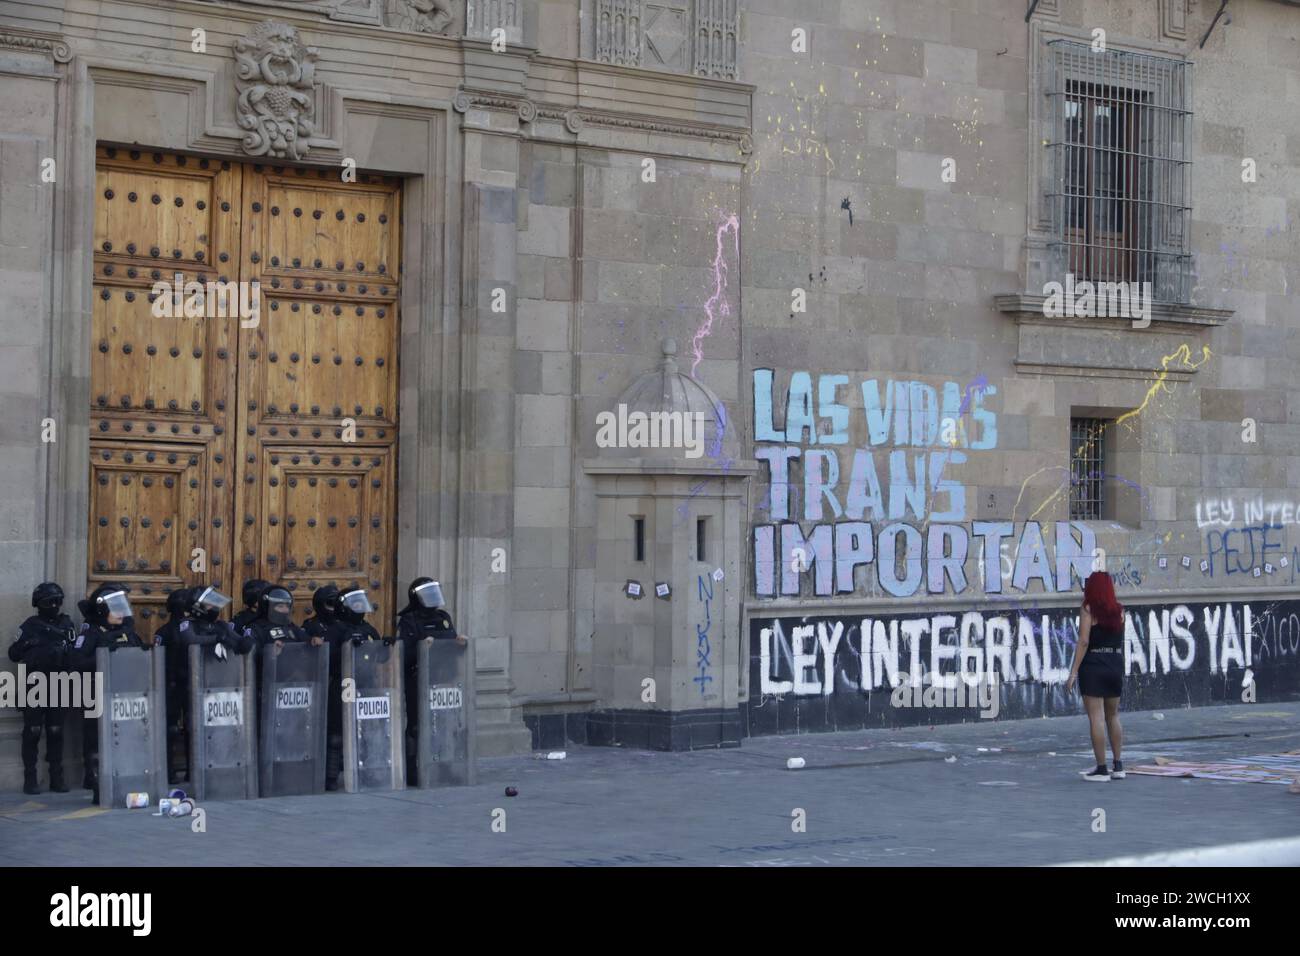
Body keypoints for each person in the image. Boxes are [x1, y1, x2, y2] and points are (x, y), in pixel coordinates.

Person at [158, 585, 253, 782]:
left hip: (209, 686)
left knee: (200, 726)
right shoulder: (186, 624)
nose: (214, 608)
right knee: (172, 727)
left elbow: (240, 643)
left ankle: (198, 770)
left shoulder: (221, 625)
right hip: (179, 682)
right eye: (209, 604)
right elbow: (190, 640)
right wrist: (216, 639)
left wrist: (244, 642)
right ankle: (169, 771)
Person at [67, 585, 150, 802]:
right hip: (97, 696)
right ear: (103, 611)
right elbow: (75, 663)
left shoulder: (128, 634)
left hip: (126, 698)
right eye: (116, 609)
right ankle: (96, 782)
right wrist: (103, 657)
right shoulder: (91, 634)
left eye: (123, 608)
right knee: (96, 740)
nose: (121, 613)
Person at [396, 578, 467, 784]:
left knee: (444, 724)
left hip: (443, 678)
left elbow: (451, 646)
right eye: (427, 594)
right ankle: (413, 771)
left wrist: (459, 643)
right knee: (417, 726)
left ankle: (443, 766)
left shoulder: (443, 617)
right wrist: (422, 647)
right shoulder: (409, 620)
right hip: (418, 679)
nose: (432, 598)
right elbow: (404, 654)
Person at [8, 582, 76, 794]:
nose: (54, 605)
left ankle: (57, 777)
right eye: (49, 602)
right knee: (33, 731)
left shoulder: (67, 625)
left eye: (57, 601)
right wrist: (32, 644)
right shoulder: (30, 626)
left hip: (59, 683)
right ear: (39, 604)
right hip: (35, 685)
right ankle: (30, 778)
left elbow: (75, 653)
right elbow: (13, 653)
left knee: (56, 731)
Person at [320, 586, 383, 790]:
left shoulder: (369, 629)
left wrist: (386, 646)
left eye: (360, 604)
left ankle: (367, 772)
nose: (358, 608)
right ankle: (330, 778)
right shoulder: (336, 629)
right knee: (337, 734)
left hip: (366, 684)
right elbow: (327, 657)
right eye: (354, 604)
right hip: (343, 684)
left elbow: (381, 657)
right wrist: (347, 645)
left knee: (366, 731)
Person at [1065, 571, 1126, 782]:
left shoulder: (1088, 608)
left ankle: (1101, 769)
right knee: (1113, 716)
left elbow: (1083, 641)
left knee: (1097, 718)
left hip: (1094, 665)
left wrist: (1073, 672)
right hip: (1115, 665)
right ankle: (1118, 766)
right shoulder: (1120, 611)